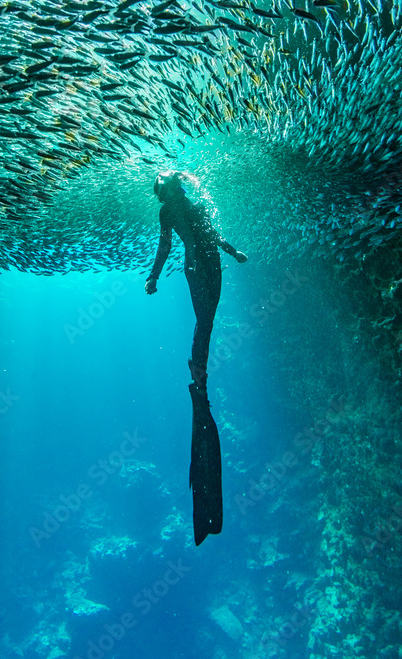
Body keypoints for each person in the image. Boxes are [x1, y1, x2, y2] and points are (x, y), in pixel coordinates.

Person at [145, 170, 247, 545]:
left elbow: (212, 235)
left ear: (180, 188)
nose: (172, 192)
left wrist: (232, 250)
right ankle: (198, 371)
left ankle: (199, 369)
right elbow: (165, 246)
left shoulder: (200, 207)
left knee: (209, 319)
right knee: (204, 319)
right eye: (166, 189)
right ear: (163, 195)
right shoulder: (166, 215)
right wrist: (153, 275)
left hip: (211, 262)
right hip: (193, 265)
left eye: (174, 186)